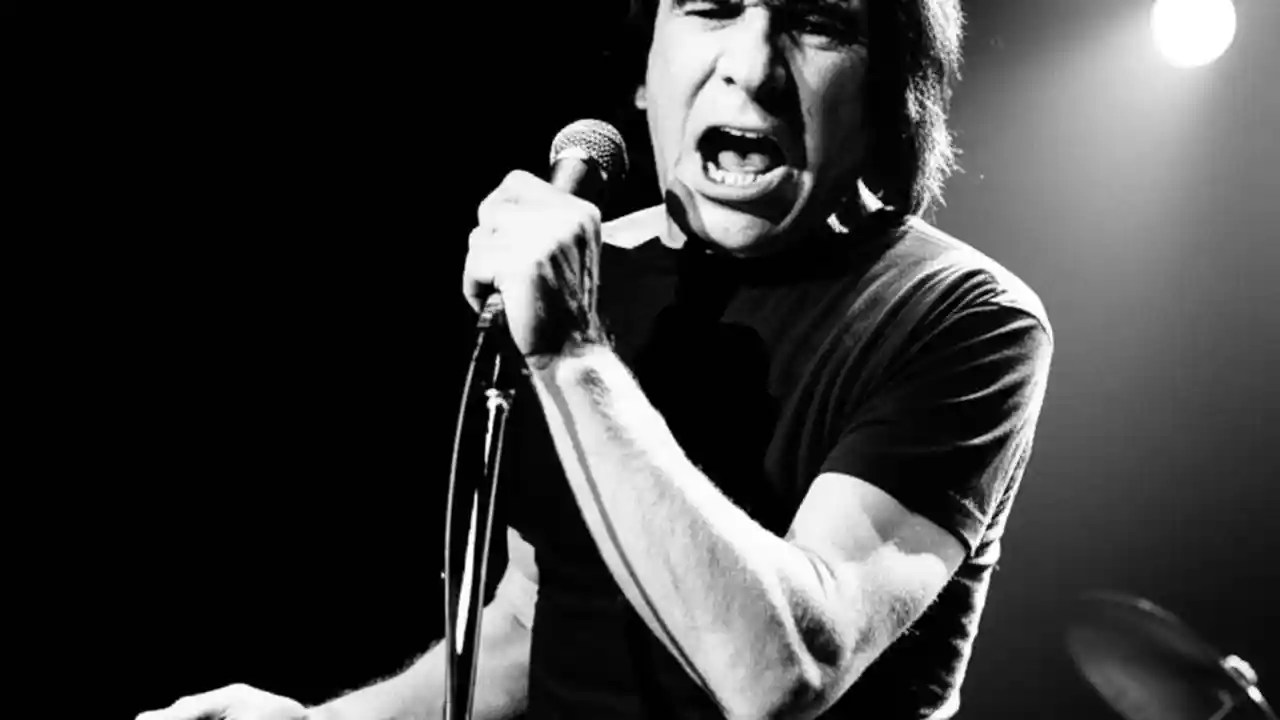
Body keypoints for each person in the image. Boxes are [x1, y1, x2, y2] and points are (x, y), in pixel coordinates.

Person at [138, 0, 1053, 718]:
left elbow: (784, 674)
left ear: (892, 88)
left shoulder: (965, 318)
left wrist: (576, 355)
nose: (752, 67)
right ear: (646, 71)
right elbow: (533, 618)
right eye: (710, 7)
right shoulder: (595, 274)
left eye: (817, 22)